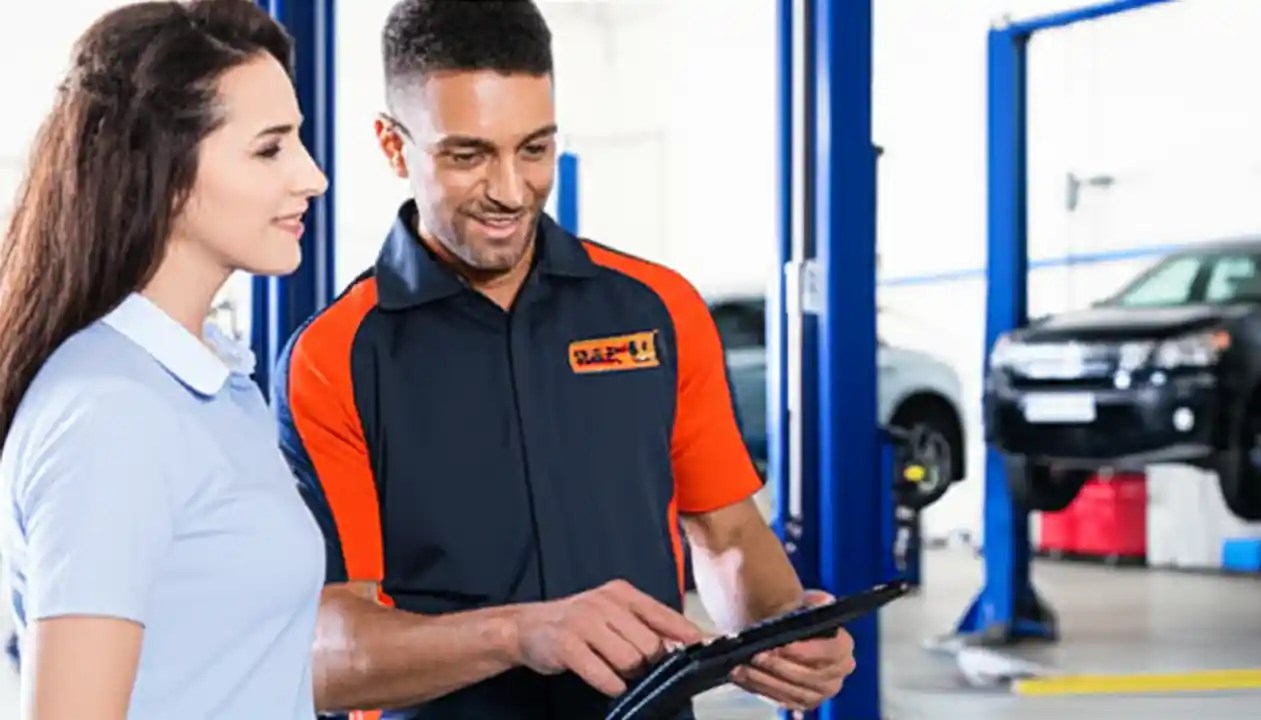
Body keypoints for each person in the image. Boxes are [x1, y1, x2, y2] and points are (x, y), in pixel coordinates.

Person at [276, 1, 855, 718]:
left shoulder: (658, 310)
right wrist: (519, 634)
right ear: (394, 147)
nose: (509, 191)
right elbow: (325, 658)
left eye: (534, 149)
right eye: (468, 156)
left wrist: (781, 628)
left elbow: (729, 534)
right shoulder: (333, 358)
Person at [0, 1, 329, 717]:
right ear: (170, 175)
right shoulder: (109, 414)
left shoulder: (214, 386)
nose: (312, 177)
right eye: (270, 149)